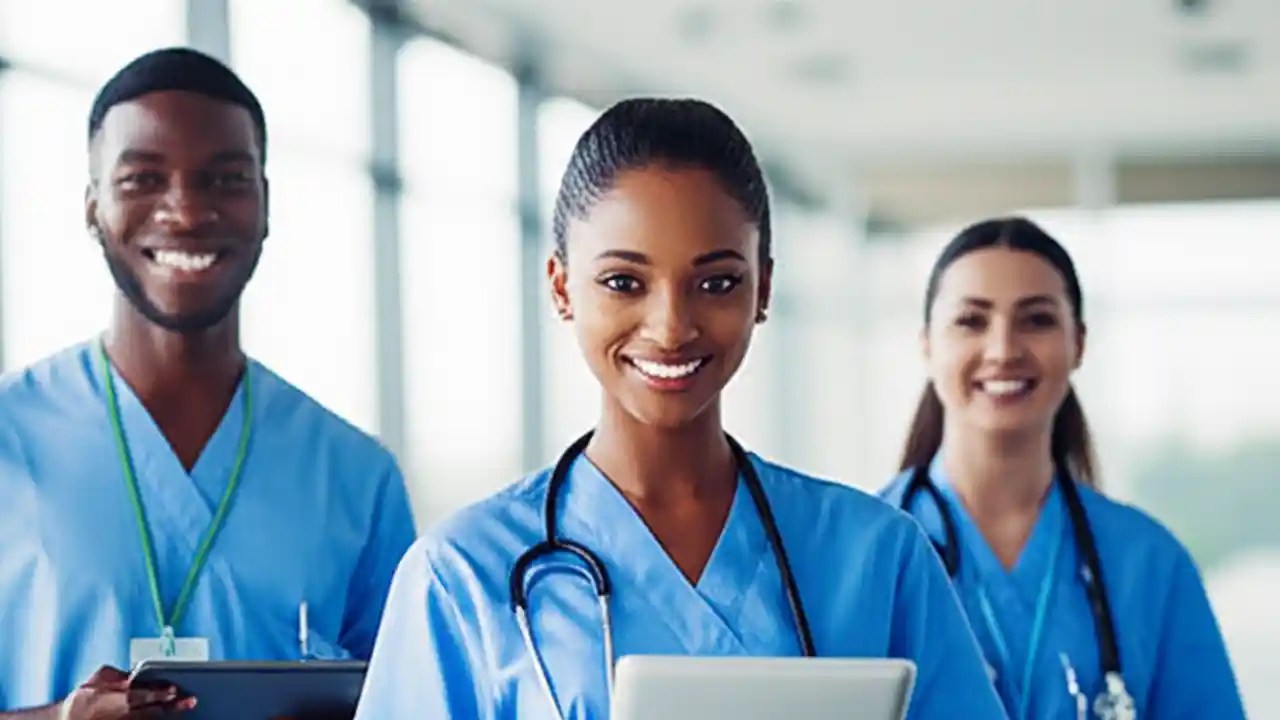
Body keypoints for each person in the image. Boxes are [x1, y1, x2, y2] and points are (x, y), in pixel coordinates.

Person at [354, 98, 1004, 720]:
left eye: (716, 283)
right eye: (623, 283)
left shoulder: (876, 556)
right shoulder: (461, 574)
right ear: (561, 287)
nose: (670, 326)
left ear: (763, 288)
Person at [0, 48, 416, 718]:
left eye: (225, 179)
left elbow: (411, 702)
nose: (186, 211)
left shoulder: (355, 478)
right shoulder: (10, 438)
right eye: (141, 179)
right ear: (91, 207)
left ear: (266, 204)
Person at [879, 217, 1246, 719]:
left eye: (1037, 320)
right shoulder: (867, 555)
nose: (1004, 349)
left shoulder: (1149, 563)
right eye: (971, 320)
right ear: (927, 344)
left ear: (1079, 343)